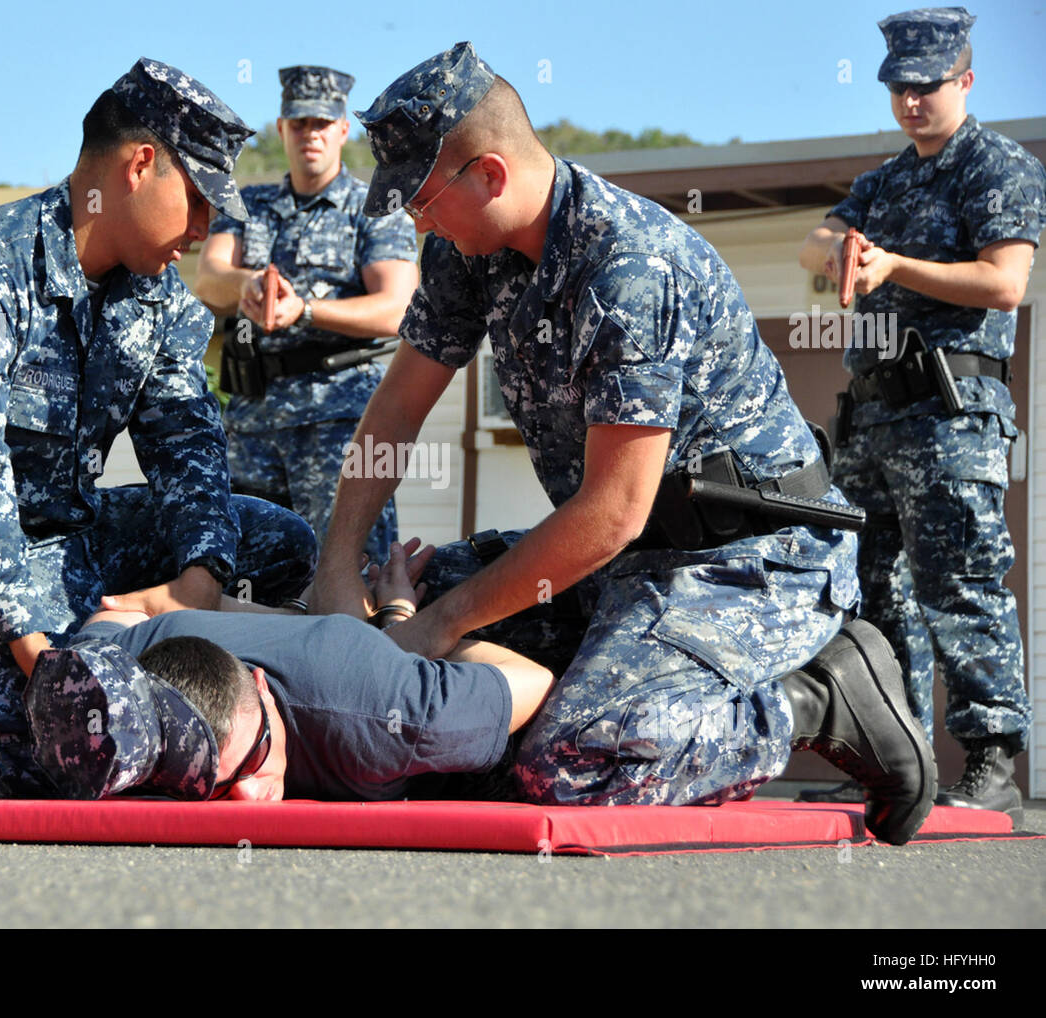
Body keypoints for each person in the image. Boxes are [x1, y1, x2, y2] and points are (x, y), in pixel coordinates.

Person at [308, 42, 937, 844]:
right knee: (394, 670)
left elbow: (612, 511)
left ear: (491, 176)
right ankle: (592, 680)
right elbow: (397, 408)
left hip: (749, 561)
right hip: (618, 565)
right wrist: (340, 567)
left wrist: (432, 632)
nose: (415, 222)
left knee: (569, 762)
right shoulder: (465, 251)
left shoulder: (629, 265)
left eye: (423, 201)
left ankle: (816, 695)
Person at [0, 58, 318, 801]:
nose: (207, 230)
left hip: (70, 542)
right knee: (41, 755)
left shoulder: (160, 301)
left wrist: (198, 583)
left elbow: (188, 451)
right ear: (141, 166)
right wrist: (46, 667)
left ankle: (145, 690)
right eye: (200, 202)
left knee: (279, 543)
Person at [796, 8, 1042, 824]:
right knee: (870, 590)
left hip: (951, 413)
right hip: (873, 420)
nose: (910, 102)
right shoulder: (883, 181)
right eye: (898, 87)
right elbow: (813, 244)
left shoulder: (997, 166)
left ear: (965, 79)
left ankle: (991, 759)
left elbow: (1006, 283)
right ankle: (896, 755)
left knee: (960, 587)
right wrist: (840, 250)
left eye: (926, 86)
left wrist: (897, 262)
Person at [27, 540, 555, 801]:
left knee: (565, 756)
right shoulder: (125, 680)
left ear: (258, 686)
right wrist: (291, 617)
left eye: (254, 759)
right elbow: (114, 615)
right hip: (322, 625)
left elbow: (534, 680)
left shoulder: (389, 719)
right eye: (206, 784)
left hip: (449, 619)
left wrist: (407, 628)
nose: (248, 796)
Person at [194, 65, 418, 564]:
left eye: (321, 123)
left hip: (340, 418)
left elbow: (397, 309)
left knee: (347, 573)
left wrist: (306, 310)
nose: (310, 134)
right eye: (299, 124)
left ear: (342, 129)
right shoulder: (248, 205)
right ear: (281, 129)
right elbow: (208, 278)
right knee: (247, 572)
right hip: (253, 415)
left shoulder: (376, 209)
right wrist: (247, 284)